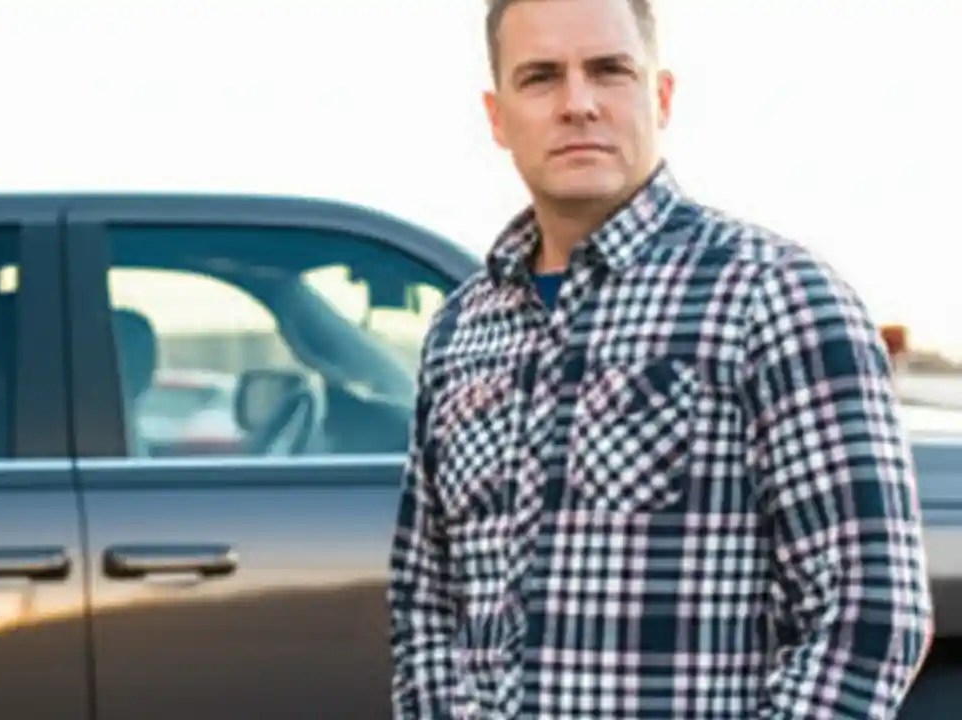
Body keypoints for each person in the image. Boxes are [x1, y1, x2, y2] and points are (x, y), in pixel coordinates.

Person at [386, 0, 934, 717]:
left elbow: (869, 612)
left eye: (609, 70)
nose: (578, 104)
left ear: (661, 95)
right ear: (498, 116)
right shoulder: (462, 329)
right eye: (542, 77)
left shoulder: (776, 298)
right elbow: (424, 601)